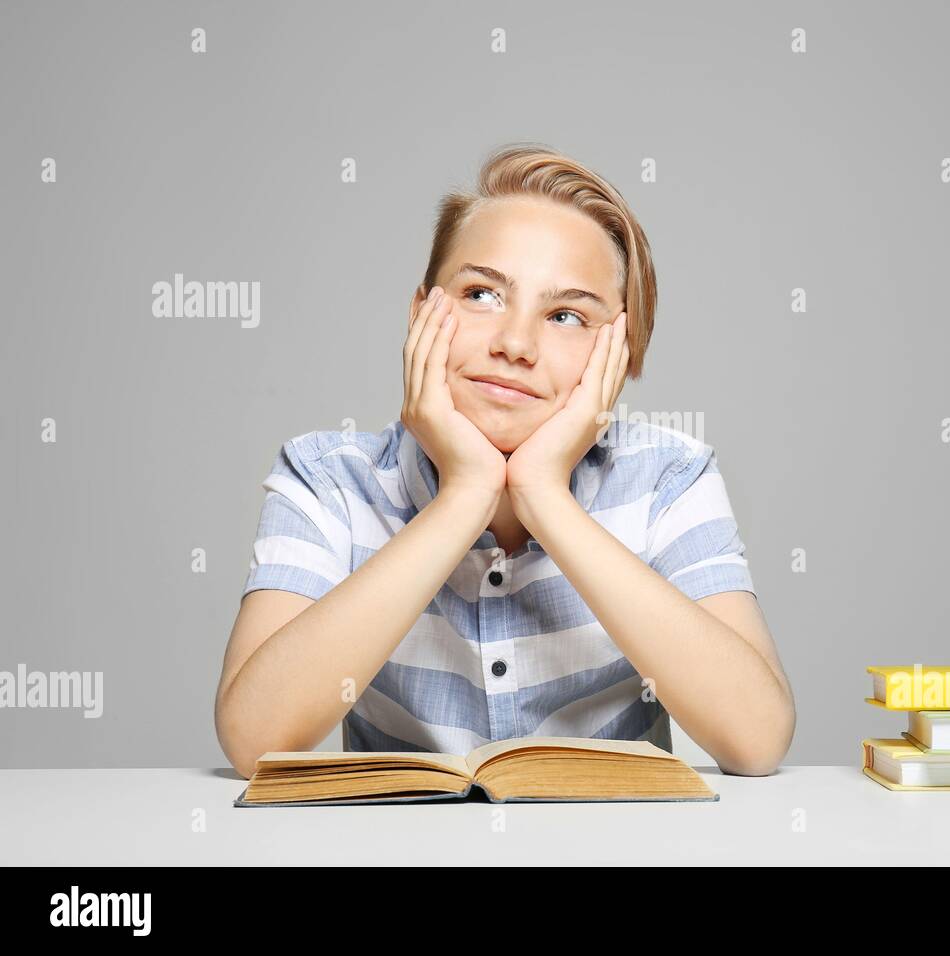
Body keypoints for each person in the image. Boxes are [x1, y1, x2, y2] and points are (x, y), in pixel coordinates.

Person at [214, 143, 795, 780]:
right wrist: (464, 494)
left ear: (621, 358)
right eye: (483, 295)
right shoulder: (326, 478)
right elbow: (254, 740)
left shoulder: (668, 479)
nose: (515, 344)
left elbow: (757, 739)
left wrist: (546, 495)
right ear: (420, 313)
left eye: (566, 315)